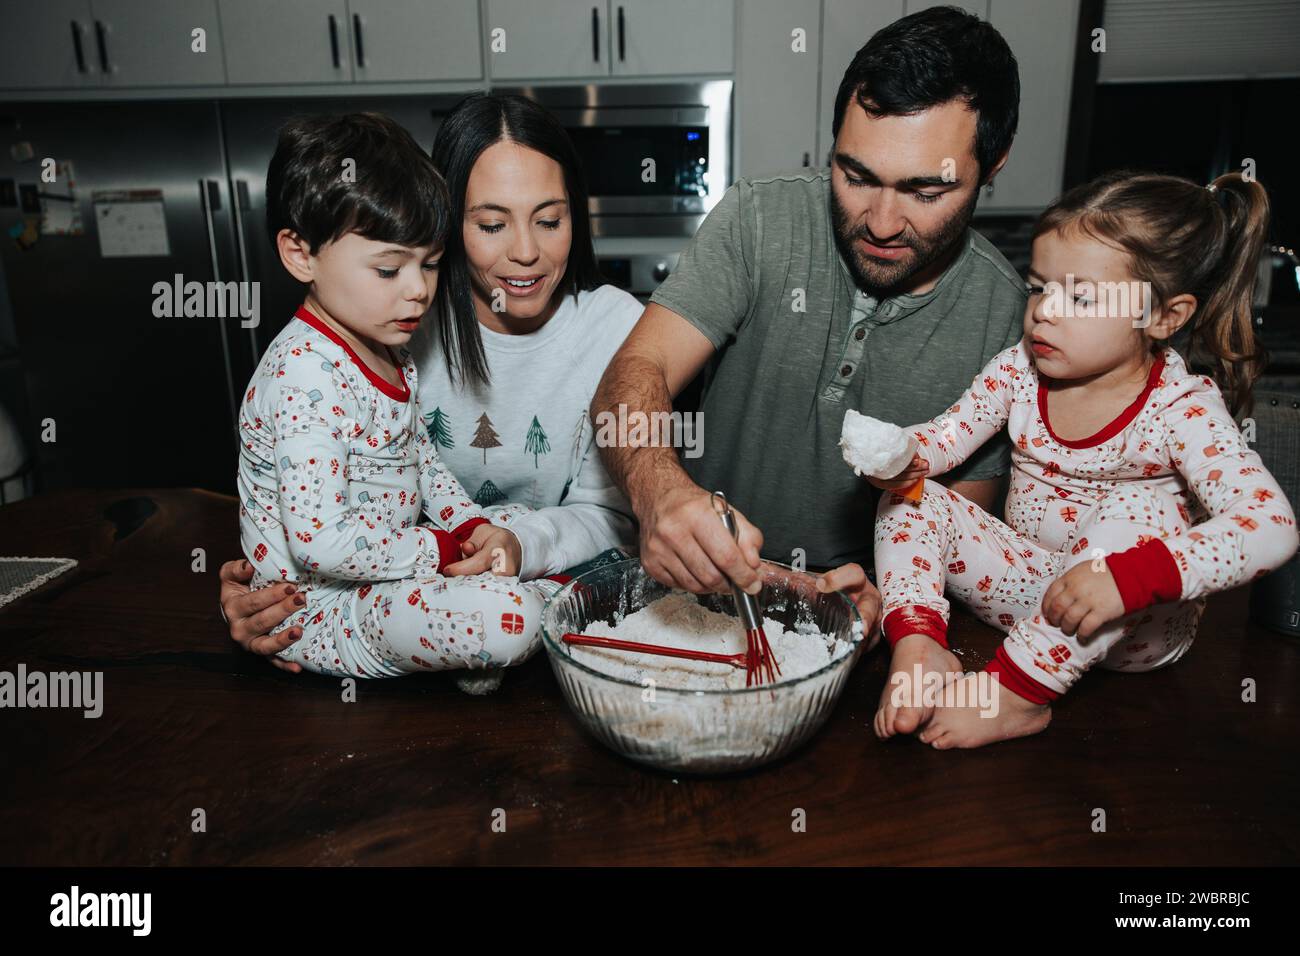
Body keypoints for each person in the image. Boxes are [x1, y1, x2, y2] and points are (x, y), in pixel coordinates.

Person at [593, 6, 1025, 650]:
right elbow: (633, 377)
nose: (880, 222)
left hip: (856, 628)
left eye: (923, 192)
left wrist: (893, 594)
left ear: (991, 169)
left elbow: (961, 526)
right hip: (692, 598)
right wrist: (658, 490)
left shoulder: (1008, 315)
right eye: (855, 176)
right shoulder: (758, 219)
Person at [868, 170, 1298, 748]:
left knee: (1142, 506)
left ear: (1164, 317)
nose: (1045, 311)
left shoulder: (1181, 407)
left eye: (1080, 296)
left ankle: (1016, 697)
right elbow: (948, 437)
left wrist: (1129, 579)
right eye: (1039, 287)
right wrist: (902, 454)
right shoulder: (1020, 368)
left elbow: (1271, 527)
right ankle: (921, 644)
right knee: (911, 499)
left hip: (1129, 626)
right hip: (1036, 600)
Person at [219, 94, 643, 675]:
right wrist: (253, 581)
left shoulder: (618, 328)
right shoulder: (386, 325)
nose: (526, 252)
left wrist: (504, 542)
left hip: (481, 582)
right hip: (404, 599)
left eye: (550, 220)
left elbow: (615, 516)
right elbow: (310, 511)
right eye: (491, 224)